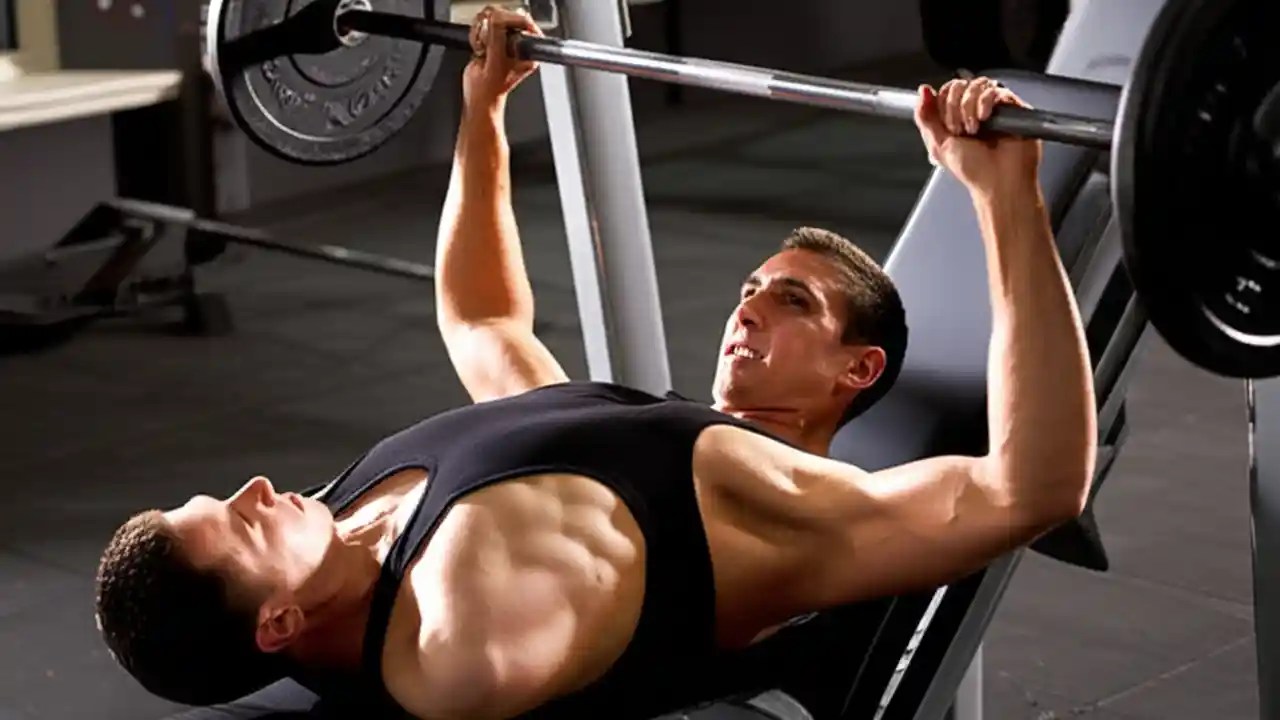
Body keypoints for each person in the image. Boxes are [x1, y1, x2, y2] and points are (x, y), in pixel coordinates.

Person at [93, 6, 1096, 720]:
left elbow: (482, 318)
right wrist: (1004, 196)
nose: (258, 487)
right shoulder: (460, 645)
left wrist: (482, 110)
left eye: (791, 302)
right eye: (240, 522)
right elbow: (1033, 489)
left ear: (856, 372)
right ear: (277, 624)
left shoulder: (345, 527)